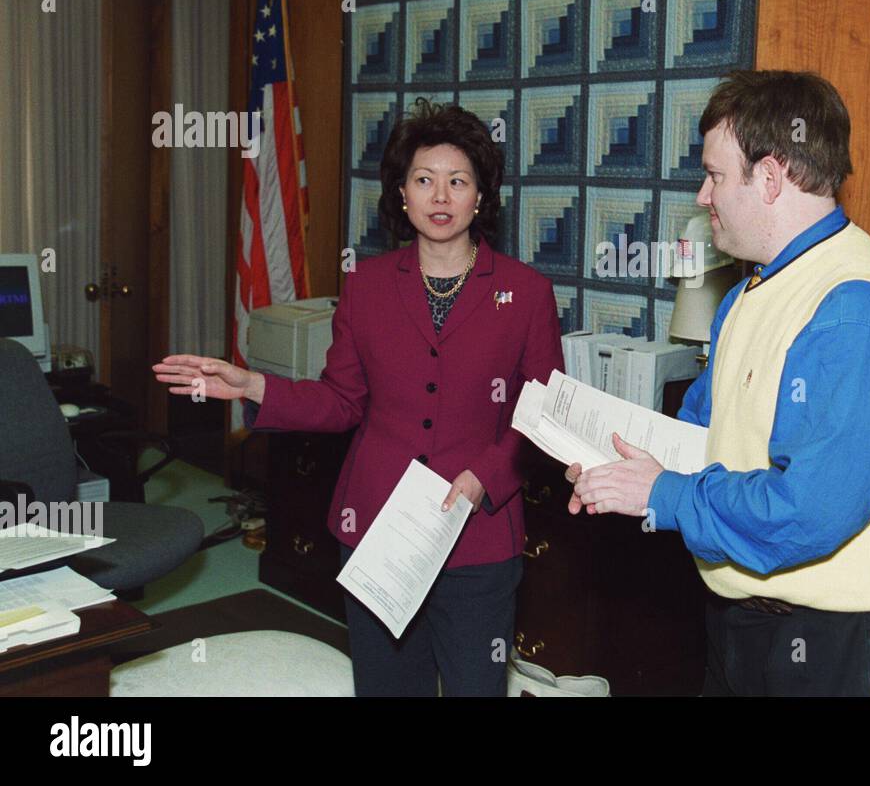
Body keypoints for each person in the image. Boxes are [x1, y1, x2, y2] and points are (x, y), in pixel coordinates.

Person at [153, 101, 564, 696]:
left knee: (477, 685)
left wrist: (485, 476)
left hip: (478, 531)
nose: (441, 196)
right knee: (387, 686)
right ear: (401, 194)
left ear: (481, 196)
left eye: (458, 181)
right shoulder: (367, 287)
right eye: (424, 180)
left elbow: (542, 415)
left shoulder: (525, 294)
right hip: (377, 528)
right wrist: (254, 385)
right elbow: (341, 401)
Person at [566, 70, 870, 696]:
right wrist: (617, 466)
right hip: (740, 625)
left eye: (714, 175)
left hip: (834, 645)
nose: (703, 196)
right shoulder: (746, 291)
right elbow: (704, 431)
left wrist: (666, 496)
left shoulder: (857, 313)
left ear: (770, 178)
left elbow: (808, 512)